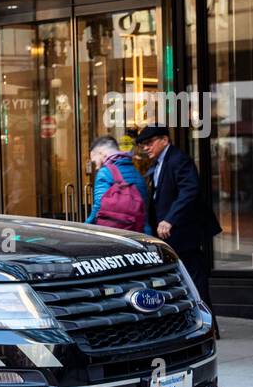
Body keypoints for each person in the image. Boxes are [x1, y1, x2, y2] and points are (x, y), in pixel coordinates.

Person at [134, 124, 222, 305]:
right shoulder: (159, 163)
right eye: (143, 144)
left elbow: (190, 190)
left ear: (165, 140)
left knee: (195, 280)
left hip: (184, 232)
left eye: (149, 142)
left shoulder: (178, 159)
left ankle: (207, 325)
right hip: (169, 234)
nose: (145, 148)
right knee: (179, 279)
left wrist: (169, 219)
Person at [85, 135, 149, 233]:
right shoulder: (135, 171)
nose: (96, 167)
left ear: (101, 153)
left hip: (118, 233)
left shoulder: (104, 172)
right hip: (141, 231)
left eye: (95, 161)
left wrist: (86, 226)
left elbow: (99, 206)